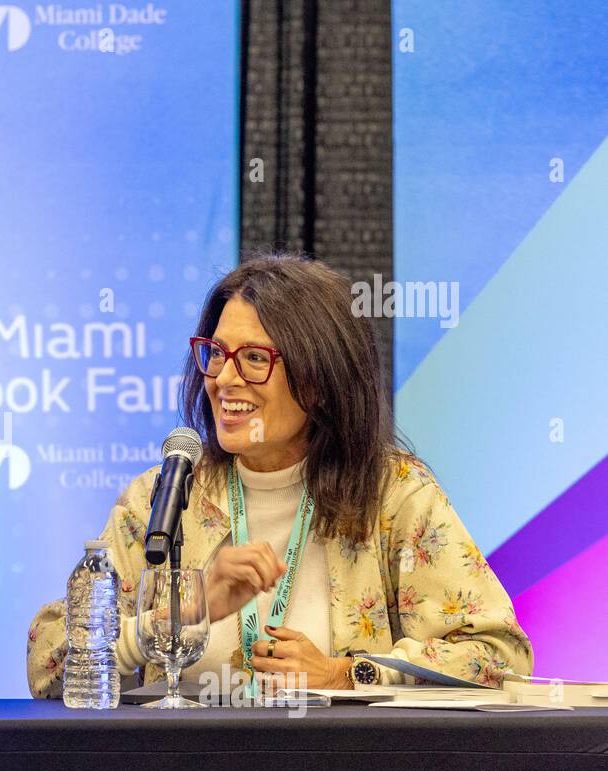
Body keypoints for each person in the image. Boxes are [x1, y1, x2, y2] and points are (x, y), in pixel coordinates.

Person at [27, 253, 533, 698]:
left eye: (253, 359)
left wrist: (344, 674)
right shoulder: (165, 497)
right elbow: (47, 664)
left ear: (318, 379)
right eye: (216, 354)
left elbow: (498, 656)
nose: (223, 379)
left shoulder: (393, 495)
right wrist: (183, 612)